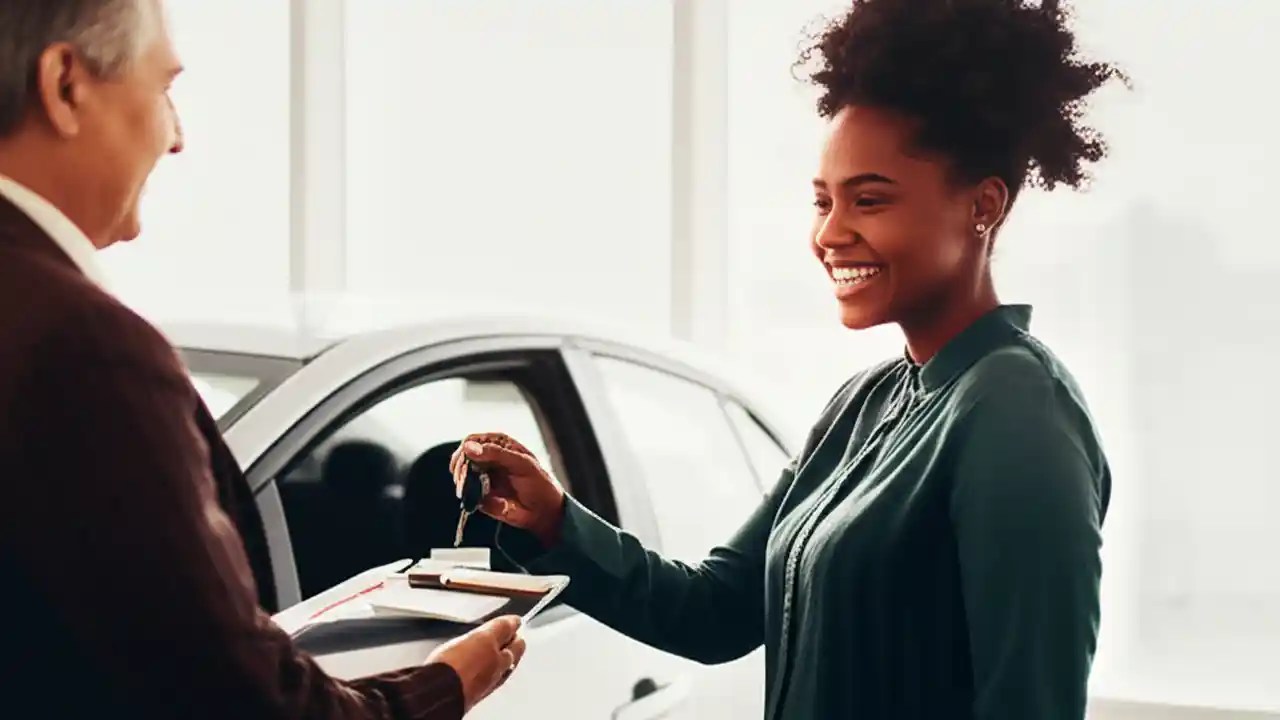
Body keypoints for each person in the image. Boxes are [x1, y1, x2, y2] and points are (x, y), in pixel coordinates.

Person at [452, 1, 1123, 718]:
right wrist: (555, 521)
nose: (831, 234)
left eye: (869, 200)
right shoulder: (864, 404)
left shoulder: (1018, 412)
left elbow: (1031, 705)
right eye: (822, 201)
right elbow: (712, 612)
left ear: (983, 206)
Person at [0, 1, 523, 717]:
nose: (177, 137)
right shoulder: (85, 346)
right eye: (164, 89)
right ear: (65, 86)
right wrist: (443, 686)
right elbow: (239, 702)